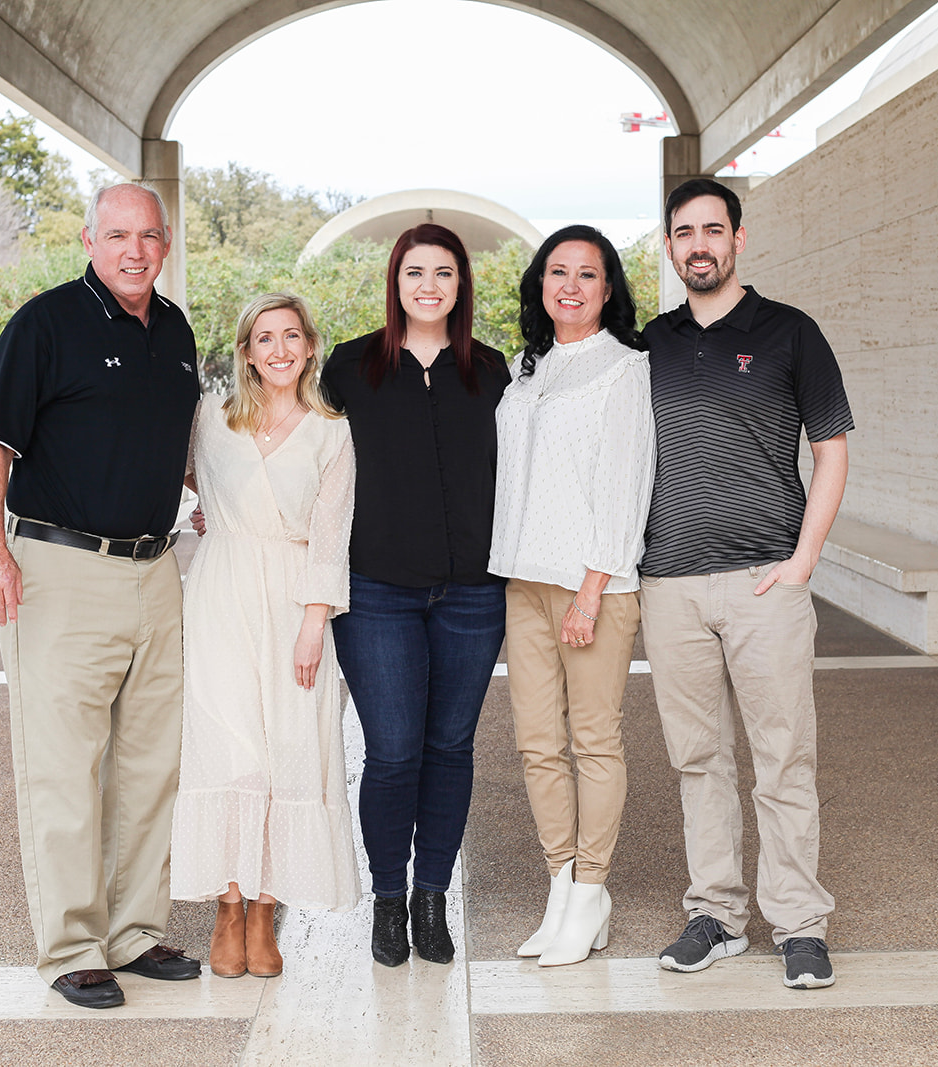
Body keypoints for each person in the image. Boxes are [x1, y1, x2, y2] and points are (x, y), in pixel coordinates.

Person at [0, 182, 202, 1009]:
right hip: (60, 572)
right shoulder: (45, 324)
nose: (134, 250)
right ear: (88, 239)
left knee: (149, 766)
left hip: (154, 569)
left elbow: (173, 442)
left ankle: (135, 932)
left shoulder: (174, 331)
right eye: (117, 235)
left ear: (164, 243)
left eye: (147, 235)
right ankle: (72, 944)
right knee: (65, 768)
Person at [641, 178, 853, 989]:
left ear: (737, 240)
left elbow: (831, 448)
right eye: (684, 232)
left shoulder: (789, 333)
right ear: (669, 246)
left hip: (766, 579)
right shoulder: (648, 343)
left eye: (713, 230)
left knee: (782, 758)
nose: (699, 243)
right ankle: (718, 914)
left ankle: (799, 922)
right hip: (670, 584)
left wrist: (803, 562)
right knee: (698, 760)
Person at [321, 224, 511, 967]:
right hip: (376, 590)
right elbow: (306, 450)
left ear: (461, 284)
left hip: (472, 593)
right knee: (394, 751)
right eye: (414, 272)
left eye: (443, 272)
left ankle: (433, 898)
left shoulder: (492, 371)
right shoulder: (350, 366)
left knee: (449, 746)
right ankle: (388, 899)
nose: (428, 285)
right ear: (394, 282)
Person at [170, 293, 360, 979]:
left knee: (290, 747)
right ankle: (227, 901)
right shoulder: (211, 420)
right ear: (246, 350)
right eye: (263, 337)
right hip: (221, 590)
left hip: (293, 599)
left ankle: (266, 907)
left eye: (290, 336)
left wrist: (315, 623)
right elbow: (189, 478)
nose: (278, 349)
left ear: (309, 345)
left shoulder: (332, 430)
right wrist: (214, 517)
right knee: (227, 744)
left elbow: (332, 531)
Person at [488, 225, 654, 967]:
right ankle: (562, 884)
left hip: (594, 583)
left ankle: (591, 890)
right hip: (524, 578)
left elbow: (627, 484)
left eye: (587, 274)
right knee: (535, 743)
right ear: (541, 283)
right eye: (558, 271)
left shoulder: (626, 369)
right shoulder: (529, 368)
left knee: (593, 739)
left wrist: (590, 592)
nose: (571, 286)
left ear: (608, 288)